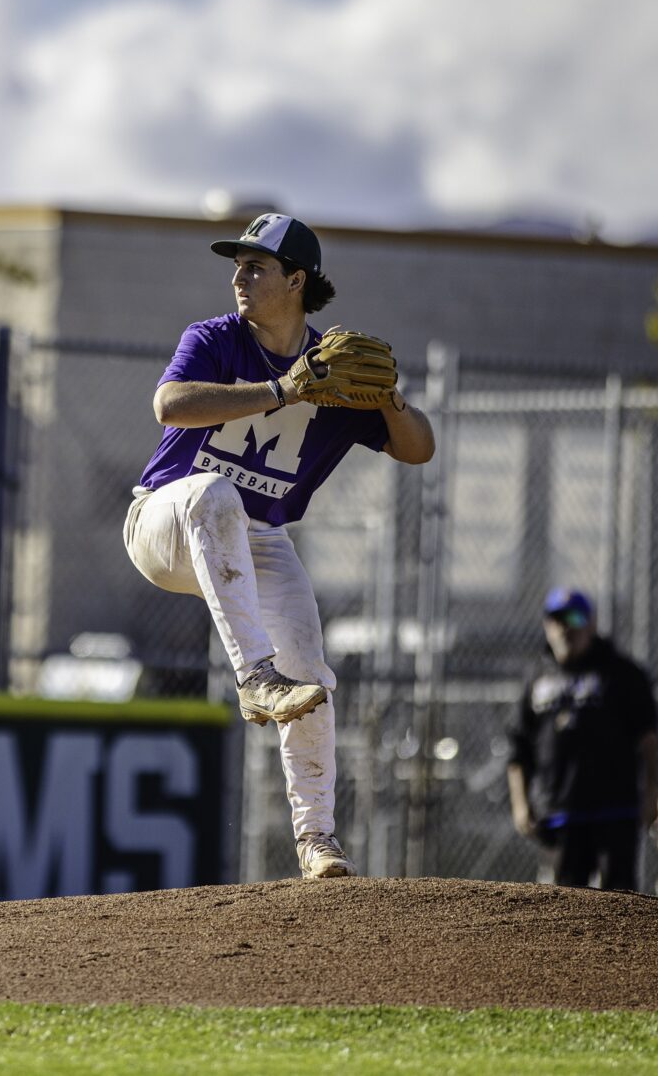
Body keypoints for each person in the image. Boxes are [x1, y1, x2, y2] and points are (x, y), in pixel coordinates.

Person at [123, 213, 435, 879]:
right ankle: (253, 677)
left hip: (258, 542)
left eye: (256, 265)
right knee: (214, 495)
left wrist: (390, 402)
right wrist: (280, 390)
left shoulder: (336, 370)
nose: (239, 276)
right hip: (166, 523)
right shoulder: (213, 337)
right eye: (237, 264)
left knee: (312, 674)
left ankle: (317, 840)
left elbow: (419, 450)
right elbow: (170, 406)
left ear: (297, 280)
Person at [507, 587, 658, 890]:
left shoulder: (621, 673)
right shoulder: (536, 677)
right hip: (559, 811)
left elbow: (649, 740)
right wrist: (520, 804)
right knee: (564, 902)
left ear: (591, 624)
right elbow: (518, 748)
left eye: (576, 618)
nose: (566, 627)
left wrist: (653, 792)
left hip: (615, 808)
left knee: (620, 899)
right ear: (547, 625)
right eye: (557, 619)